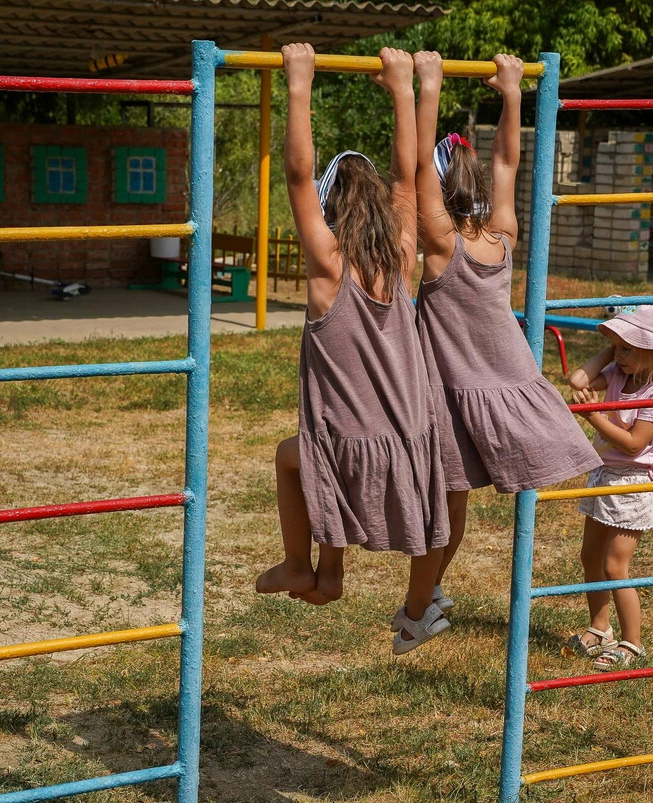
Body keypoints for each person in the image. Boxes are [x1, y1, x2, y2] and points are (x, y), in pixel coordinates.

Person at [255, 43, 453, 656]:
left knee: (295, 458)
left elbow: (295, 174)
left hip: (349, 448)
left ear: (330, 208)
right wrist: (405, 88)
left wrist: (299, 84)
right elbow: (406, 171)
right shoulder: (398, 255)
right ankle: (353, 580)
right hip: (410, 442)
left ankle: (300, 564)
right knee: (330, 459)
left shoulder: (327, 266)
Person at [409, 51, 600, 623]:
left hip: (449, 391)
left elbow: (418, 164)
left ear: (441, 198)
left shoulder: (442, 245)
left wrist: (428, 87)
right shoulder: (503, 236)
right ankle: (431, 591)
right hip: (501, 382)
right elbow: (510, 163)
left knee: (449, 502)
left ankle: (423, 599)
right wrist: (513, 90)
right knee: (456, 507)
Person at [565, 304, 653, 670]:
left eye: (629, 347)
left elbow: (634, 444)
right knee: (589, 557)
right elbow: (577, 381)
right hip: (603, 475)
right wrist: (617, 346)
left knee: (615, 565)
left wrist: (593, 416)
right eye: (618, 346)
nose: (619, 355)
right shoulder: (620, 373)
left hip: (633, 485)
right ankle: (599, 627)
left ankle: (632, 642)